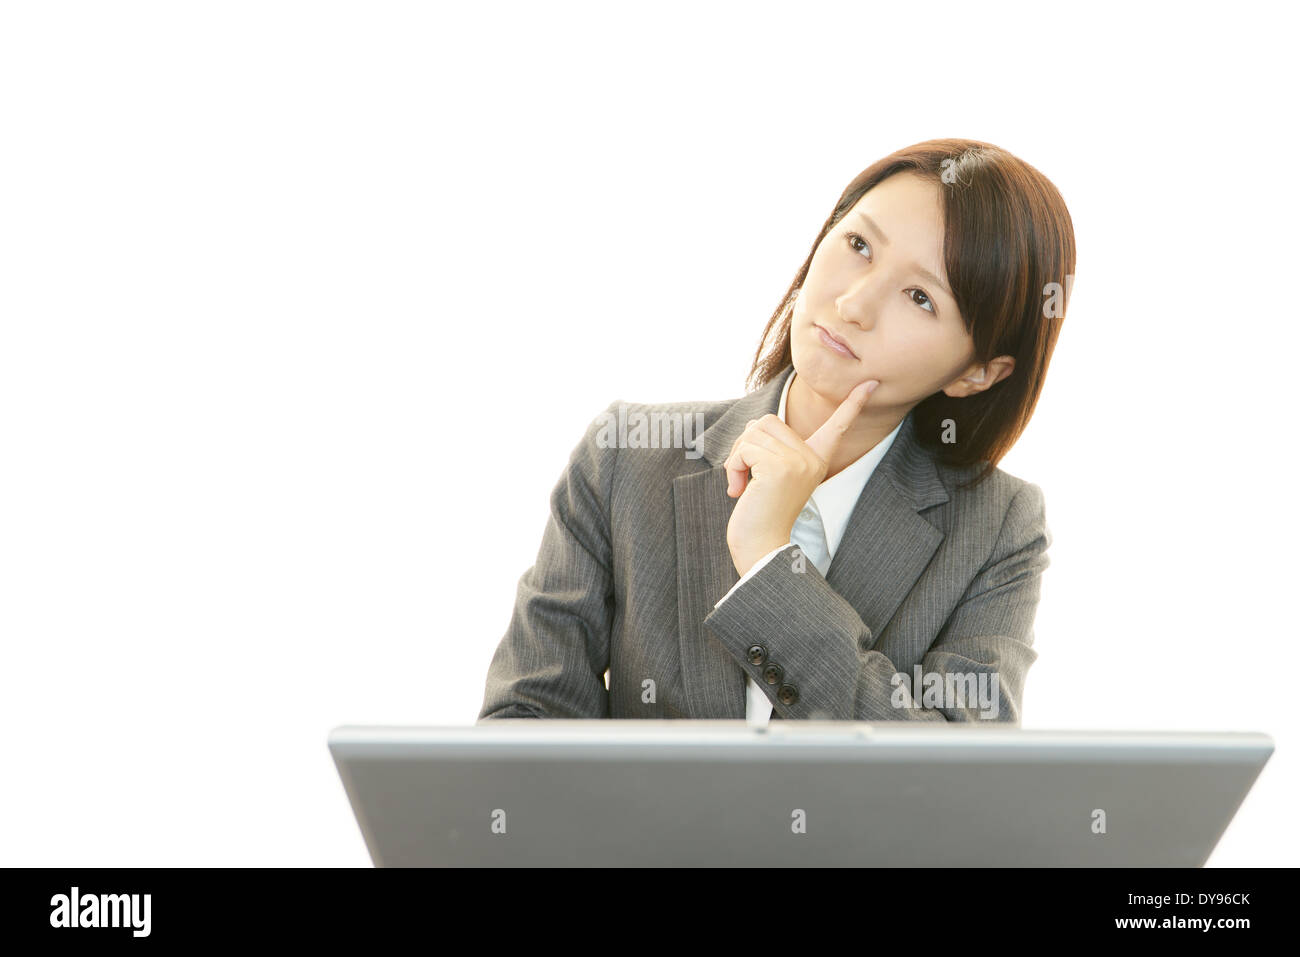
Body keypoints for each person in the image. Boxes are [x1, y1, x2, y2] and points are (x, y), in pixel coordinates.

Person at [478, 137, 1074, 723]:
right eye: (859, 244)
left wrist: (768, 560)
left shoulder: (998, 528)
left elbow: (953, 787)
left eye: (920, 296)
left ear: (976, 373)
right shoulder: (626, 457)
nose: (854, 303)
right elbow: (524, 734)